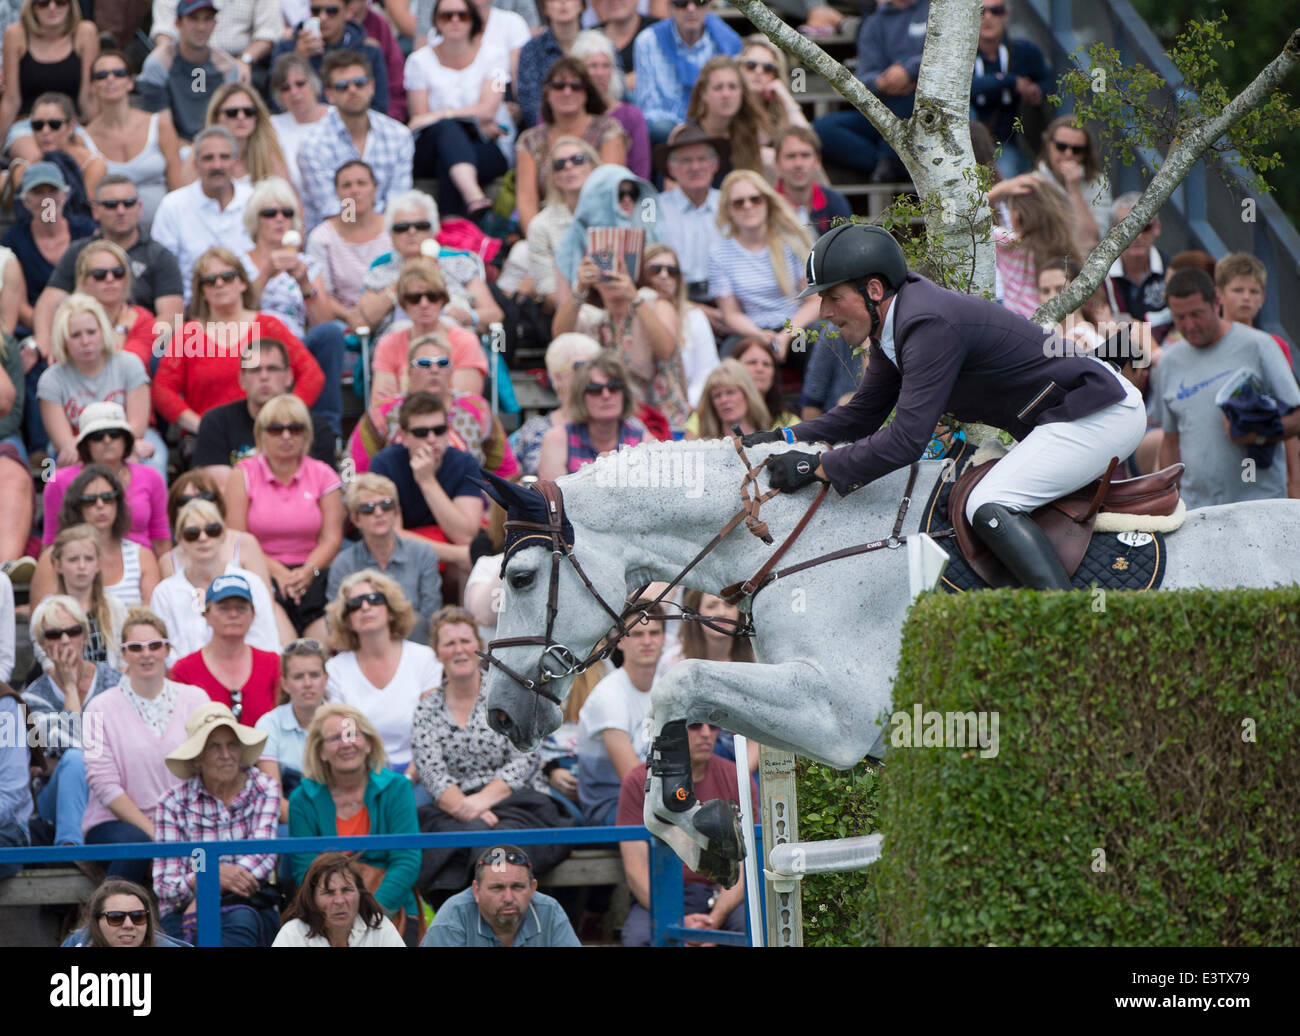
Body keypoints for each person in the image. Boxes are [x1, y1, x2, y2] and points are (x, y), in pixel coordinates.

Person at [742, 222, 1149, 590]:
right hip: (1071, 415)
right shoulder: (897, 325)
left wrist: (818, 468)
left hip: (1099, 414)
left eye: (832, 297)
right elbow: (863, 413)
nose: (824, 313)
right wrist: (784, 437)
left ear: (874, 290)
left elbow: (905, 441)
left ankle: (1067, 623)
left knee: (987, 503)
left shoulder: (926, 324)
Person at [412, 608, 570, 900]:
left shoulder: (509, 696)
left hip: (516, 803)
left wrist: (480, 805)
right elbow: (431, 772)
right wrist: (469, 810)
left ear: (479, 647)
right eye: (449, 643)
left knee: (498, 839)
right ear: (437, 653)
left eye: (465, 641)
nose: (459, 650)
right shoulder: (427, 708)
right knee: (450, 839)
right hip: (454, 810)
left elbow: (525, 758)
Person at [1149, 268, 1300, 508]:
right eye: (1180, 317)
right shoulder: (1168, 362)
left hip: (1258, 506)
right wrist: (1170, 501)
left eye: (1196, 314)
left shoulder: (1259, 345)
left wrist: (1260, 433)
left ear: (1216, 301)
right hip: (1199, 510)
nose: (1189, 325)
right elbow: (1170, 439)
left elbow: (1297, 417)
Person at [81, 606, 210, 884]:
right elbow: (102, 784)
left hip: (187, 820)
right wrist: (157, 833)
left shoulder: (198, 699)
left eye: (155, 645)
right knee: (137, 845)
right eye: (136, 647)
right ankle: (107, 917)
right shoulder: (96, 707)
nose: (147, 654)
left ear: (167, 649)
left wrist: (176, 830)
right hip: (116, 823)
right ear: (124, 654)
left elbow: (210, 766)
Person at [151, 247, 323, 437]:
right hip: (209, 440)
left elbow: (312, 374)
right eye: (209, 280)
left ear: (242, 282)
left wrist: (286, 419)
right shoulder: (188, 334)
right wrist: (202, 426)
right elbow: (162, 389)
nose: (219, 283)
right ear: (201, 292)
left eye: (227, 276)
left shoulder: (269, 326)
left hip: (268, 437)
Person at [289, 702, 422, 938]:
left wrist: (370, 916)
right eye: (336, 738)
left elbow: (406, 861)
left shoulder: (397, 787)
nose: (347, 743)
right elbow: (305, 871)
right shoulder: (303, 798)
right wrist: (338, 919)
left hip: (390, 910)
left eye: (353, 734)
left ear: (369, 743)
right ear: (321, 751)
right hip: (325, 915)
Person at [153, 701, 280, 946]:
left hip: (247, 903)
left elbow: (262, 856)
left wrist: (207, 890)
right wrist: (206, 878)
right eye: (214, 747)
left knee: (241, 920)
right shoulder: (172, 802)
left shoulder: (264, 788)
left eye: (232, 744)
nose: (226, 755)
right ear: (197, 759)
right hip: (183, 910)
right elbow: (165, 884)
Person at [225, 394, 343, 642]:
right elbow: (236, 537)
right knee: (283, 644)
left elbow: (332, 538)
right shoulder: (242, 474)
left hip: (315, 571)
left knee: (321, 646)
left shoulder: (324, 474)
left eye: (295, 428)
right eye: (276, 429)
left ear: (307, 434)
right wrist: (278, 572)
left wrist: (307, 571)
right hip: (259, 572)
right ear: (261, 435)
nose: (286, 436)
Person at [617, 719, 745, 945]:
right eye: (695, 726)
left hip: (722, 895)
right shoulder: (638, 781)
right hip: (661, 892)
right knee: (639, 938)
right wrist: (678, 921)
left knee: (750, 929)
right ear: (674, 732)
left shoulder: (736, 777)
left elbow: (745, 864)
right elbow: (635, 870)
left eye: (713, 726)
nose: (706, 733)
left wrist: (714, 920)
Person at [33, 173, 185, 359]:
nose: (121, 210)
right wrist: (44, 341)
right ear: (95, 211)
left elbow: (171, 316)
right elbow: (48, 302)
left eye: (128, 203)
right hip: (82, 344)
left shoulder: (159, 256)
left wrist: (130, 341)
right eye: (111, 205)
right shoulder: (78, 251)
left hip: (141, 346)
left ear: (139, 208)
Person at [242, 176, 346, 445]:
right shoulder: (239, 261)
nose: (279, 219)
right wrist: (265, 274)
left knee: (331, 334)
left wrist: (304, 283)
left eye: (287, 213)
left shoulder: (308, 263)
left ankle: (328, 432)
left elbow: (325, 322)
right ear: (256, 219)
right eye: (270, 213)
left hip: (297, 345)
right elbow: (234, 311)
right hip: (250, 345)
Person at [25, 595, 122, 848]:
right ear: (43, 645)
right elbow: (74, 748)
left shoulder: (115, 682)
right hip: (54, 803)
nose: (66, 640)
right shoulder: (33, 696)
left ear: (86, 635)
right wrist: (70, 687)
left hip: (114, 794)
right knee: (76, 760)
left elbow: (125, 749)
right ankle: (71, 849)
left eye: (73, 631)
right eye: (55, 634)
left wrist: (54, 761)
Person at [404, 0, 514, 221]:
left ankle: (452, 227)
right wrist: (459, 118)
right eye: (447, 15)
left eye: (462, 15)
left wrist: (440, 114)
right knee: (447, 133)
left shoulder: (497, 57)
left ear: (473, 20)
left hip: (485, 145)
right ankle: (474, 197)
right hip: (431, 146)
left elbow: (489, 110)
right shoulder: (418, 61)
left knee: (449, 151)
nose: (455, 20)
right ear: (436, 20)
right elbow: (420, 123)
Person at [358, 330, 517, 478]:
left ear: (452, 371)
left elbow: (506, 469)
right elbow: (353, 466)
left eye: (442, 363)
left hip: (467, 502)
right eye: (424, 363)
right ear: (410, 372)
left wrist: (486, 501)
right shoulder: (383, 411)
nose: (434, 369)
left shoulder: (477, 409)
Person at [323, 569, 441, 768]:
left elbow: (433, 731)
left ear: (391, 611)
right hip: (361, 770)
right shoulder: (335, 669)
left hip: (422, 768)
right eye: (354, 604)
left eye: (374, 599)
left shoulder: (424, 658)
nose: (365, 607)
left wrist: (409, 776)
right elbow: (346, 735)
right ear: (346, 620)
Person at [350, 190, 502, 342]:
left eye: (421, 225)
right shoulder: (381, 271)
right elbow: (359, 323)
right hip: (399, 347)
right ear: (391, 234)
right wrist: (403, 282)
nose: (412, 232)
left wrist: (470, 316)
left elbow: (495, 315)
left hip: (453, 343)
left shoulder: (459, 264)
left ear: (434, 230)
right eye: (401, 227)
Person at [193, 338, 335, 493]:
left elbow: (323, 488)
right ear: (242, 379)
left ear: (289, 376)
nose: (264, 376)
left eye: (272, 369)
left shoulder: (313, 426)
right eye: (255, 369)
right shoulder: (216, 422)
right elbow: (220, 490)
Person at [811, 0, 928, 182]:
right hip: (882, 111)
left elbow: (951, 57)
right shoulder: (874, 23)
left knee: (911, 99)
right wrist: (882, 81)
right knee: (821, 130)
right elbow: (863, 78)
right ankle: (895, 163)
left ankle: (892, 160)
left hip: (928, 112)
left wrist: (908, 71)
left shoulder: (937, 10)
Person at [296, 50, 412, 233]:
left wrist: (375, 232)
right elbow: (333, 210)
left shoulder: (398, 135)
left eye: (359, 83)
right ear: (329, 94)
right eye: (342, 86)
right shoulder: (313, 144)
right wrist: (362, 234)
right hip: (335, 241)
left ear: (371, 86)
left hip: (388, 235)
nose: (352, 90)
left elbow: (397, 203)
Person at [370, 392, 484, 573]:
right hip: (403, 558)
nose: (432, 439)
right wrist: (458, 555)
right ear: (404, 437)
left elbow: (466, 536)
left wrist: (427, 481)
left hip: (448, 552)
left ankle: (464, 602)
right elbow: (391, 535)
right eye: (421, 433)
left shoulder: (465, 463)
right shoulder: (384, 464)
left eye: (439, 430)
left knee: (476, 558)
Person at [709, 169, 817, 361]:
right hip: (751, 332)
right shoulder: (719, 252)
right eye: (738, 202)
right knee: (730, 356)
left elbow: (814, 301)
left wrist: (785, 336)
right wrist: (759, 336)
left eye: (755, 199)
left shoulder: (791, 242)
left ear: (767, 202)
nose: (748, 206)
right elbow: (731, 313)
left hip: (796, 329)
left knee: (828, 341)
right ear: (729, 210)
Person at [149, 503, 279, 661]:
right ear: (180, 540)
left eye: (212, 530)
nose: (203, 538)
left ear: (223, 535)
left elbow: (267, 641)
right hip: (185, 679)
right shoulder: (164, 592)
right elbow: (166, 652)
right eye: (192, 533)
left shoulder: (251, 583)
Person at [515, 55, 628, 236]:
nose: (567, 92)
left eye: (575, 86)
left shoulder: (609, 130)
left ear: (586, 91)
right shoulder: (530, 141)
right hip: (547, 229)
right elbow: (526, 201)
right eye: (559, 86)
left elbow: (609, 190)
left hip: (599, 229)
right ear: (547, 91)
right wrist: (539, 241)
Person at [37, 294, 152, 471]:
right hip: (75, 451)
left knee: (149, 458)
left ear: (103, 331)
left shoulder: (130, 365)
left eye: (91, 332)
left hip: (124, 443)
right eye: (75, 335)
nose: (85, 341)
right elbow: (65, 443)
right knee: (51, 472)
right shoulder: (50, 380)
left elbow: (137, 428)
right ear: (63, 341)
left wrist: (110, 446)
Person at [39, 400, 169, 556]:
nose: (107, 440)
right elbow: (51, 541)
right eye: (98, 436)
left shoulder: (151, 477)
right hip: (81, 569)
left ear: (125, 439)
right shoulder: (57, 481)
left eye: (114, 434)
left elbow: (161, 539)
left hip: (143, 567)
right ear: (85, 443)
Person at [576, 601, 664, 825]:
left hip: (655, 797)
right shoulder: (608, 695)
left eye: (654, 632)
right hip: (609, 804)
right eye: (637, 634)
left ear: (664, 638)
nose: (647, 641)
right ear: (620, 640)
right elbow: (633, 781)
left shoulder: (665, 687)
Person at [328, 474, 443, 644]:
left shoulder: (423, 553)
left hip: (416, 647)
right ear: (356, 519)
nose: (379, 512)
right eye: (368, 508)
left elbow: (431, 617)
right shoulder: (343, 564)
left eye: (386, 505)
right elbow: (337, 623)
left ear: (397, 512)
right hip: (363, 650)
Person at [364, 258, 488, 410]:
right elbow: (381, 405)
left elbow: (466, 405)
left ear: (443, 300)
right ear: (404, 304)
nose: (424, 304)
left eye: (432, 296)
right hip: (402, 426)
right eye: (414, 298)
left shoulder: (466, 341)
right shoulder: (388, 343)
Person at [32, 463, 160, 609]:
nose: (100, 505)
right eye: (90, 500)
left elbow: (152, 619)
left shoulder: (142, 557)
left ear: (118, 504)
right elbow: (40, 623)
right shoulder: (52, 558)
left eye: (108, 498)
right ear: (76, 507)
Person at [150, 127, 254, 300]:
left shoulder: (254, 201)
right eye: (208, 158)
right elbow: (163, 272)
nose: (217, 165)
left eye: (224, 157)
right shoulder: (173, 206)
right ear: (195, 164)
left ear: (236, 162)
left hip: (250, 307)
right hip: (192, 313)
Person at [166, 573, 281, 721]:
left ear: (252, 614)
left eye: (241, 608)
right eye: (224, 608)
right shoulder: (184, 671)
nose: (233, 614)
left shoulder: (273, 664)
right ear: (206, 614)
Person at [2, 160, 95, 338]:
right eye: (38, 192)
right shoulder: (13, 239)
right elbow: (18, 304)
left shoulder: (87, 232)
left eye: (52, 191)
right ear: (25, 201)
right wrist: (51, 331)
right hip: (34, 330)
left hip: (87, 328)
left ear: (65, 195)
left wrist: (77, 330)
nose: (46, 199)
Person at [420, 844, 581, 946]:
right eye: (497, 888)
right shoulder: (454, 916)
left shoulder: (550, 911)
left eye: (518, 887)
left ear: (533, 888)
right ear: (476, 890)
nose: (509, 898)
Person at [632, 0, 741, 146]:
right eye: (681, 2)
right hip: (668, 132)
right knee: (659, 128)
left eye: (699, 2)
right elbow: (648, 110)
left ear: (709, 4)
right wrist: (685, 130)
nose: (691, 8)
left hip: (714, 125)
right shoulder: (648, 41)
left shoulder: (729, 41)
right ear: (669, 5)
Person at [0, 0, 98, 159]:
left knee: (86, 160)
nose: (52, 8)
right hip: (28, 124)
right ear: (32, 7)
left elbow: (88, 97)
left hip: (72, 125)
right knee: (37, 161)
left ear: (71, 5)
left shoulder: (85, 32)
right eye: (43, 3)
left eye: (60, 2)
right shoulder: (16, 34)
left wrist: (100, 137)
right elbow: (11, 99)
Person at [137, 0, 241, 144]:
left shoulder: (227, 67)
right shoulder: (158, 64)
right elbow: (158, 125)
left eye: (207, 19)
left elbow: (230, 122)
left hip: (217, 147)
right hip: (170, 147)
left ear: (215, 24)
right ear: (178, 23)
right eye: (193, 19)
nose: (201, 27)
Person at [652, 121, 725, 317]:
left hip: (729, 303)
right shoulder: (653, 207)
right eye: (685, 161)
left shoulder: (731, 204)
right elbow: (648, 266)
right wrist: (694, 310)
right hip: (673, 303)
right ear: (671, 168)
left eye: (702, 159)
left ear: (715, 164)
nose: (695, 167)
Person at [970, 0, 1051, 178]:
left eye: (996, 11)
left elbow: (1051, 82)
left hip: (1005, 142)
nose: (988, 17)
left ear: (1006, 15)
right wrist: (1010, 81)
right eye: (981, 11)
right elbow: (965, 88)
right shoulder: (959, 53)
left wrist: (1037, 91)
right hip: (965, 142)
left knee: (1007, 175)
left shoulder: (1024, 52)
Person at [537, 350, 647, 478]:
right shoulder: (557, 440)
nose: (606, 395)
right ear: (580, 396)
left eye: (614, 387)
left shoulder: (643, 442)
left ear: (625, 393)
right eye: (595, 389)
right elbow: (552, 497)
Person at [306, 159, 394, 312]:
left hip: (390, 313)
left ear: (375, 188)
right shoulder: (321, 237)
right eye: (346, 185)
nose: (354, 191)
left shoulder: (394, 228)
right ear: (337, 192)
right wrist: (352, 320)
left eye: (361, 183)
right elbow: (323, 294)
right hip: (343, 321)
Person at [272, 4, 390, 118]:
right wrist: (298, 59)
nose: (322, 17)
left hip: (354, 128)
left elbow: (379, 106)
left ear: (348, 11)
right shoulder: (287, 48)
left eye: (332, 10)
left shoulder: (368, 50)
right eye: (316, 11)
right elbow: (275, 103)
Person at [256, 637, 329, 820]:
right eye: (298, 676)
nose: (307, 683)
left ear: (325, 679)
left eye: (314, 675)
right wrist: (313, 827)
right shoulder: (267, 724)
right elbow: (274, 799)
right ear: (285, 684)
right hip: (291, 826)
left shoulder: (348, 721)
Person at [157, 470, 271, 587]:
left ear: (218, 501)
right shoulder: (168, 560)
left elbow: (264, 597)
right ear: (174, 509)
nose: (196, 504)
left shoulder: (245, 542)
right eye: (185, 500)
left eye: (205, 497)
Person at [639, 241, 716, 410]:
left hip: (684, 407)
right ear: (641, 273)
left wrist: (690, 404)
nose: (664, 275)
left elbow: (706, 372)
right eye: (655, 269)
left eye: (672, 271)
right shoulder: (631, 314)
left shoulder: (694, 316)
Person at [987, 172, 1077, 319]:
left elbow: (966, 217)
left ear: (1016, 216)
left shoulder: (1006, 244)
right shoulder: (1063, 247)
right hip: (1054, 325)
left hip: (1017, 327)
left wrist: (1001, 189)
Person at [273, 851, 407, 946]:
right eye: (329, 892)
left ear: (360, 893)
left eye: (347, 890)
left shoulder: (379, 927)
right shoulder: (293, 934)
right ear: (311, 898)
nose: (339, 901)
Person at [40, 524, 126, 668]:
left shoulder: (115, 606)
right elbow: (48, 664)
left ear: (98, 564)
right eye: (73, 559)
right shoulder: (45, 612)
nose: (81, 566)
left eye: (89, 559)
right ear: (57, 565)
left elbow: (123, 659)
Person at [571, 28, 649, 179]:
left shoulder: (631, 115)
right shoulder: (562, 114)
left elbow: (641, 174)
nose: (600, 73)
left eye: (606, 66)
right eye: (592, 66)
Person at [179, 81, 290, 186]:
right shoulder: (201, 151)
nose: (241, 117)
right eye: (232, 113)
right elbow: (186, 199)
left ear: (257, 116)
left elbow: (286, 198)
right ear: (216, 117)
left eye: (248, 112)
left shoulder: (267, 153)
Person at [1034, 115, 1111, 255]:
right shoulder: (1034, 183)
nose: (1068, 154)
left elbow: (1089, 241)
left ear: (1085, 153)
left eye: (1076, 150)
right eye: (1061, 147)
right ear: (1048, 145)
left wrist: (1074, 190)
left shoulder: (1099, 183)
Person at [8, 90, 105, 199]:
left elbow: (88, 210)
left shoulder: (92, 165)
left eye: (54, 124)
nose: (45, 131)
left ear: (71, 127)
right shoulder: (23, 170)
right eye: (38, 125)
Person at [685, 56, 768, 180]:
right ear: (703, 94)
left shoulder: (750, 133)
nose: (726, 94)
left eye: (732, 87)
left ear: (742, 92)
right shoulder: (686, 135)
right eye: (718, 88)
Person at [149, 0, 279, 73]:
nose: (202, 27)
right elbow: (163, 30)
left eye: (207, 19)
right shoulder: (155, 64)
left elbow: (267, 33)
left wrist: (244, 60)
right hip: (183, 59)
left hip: (240, 60)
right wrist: (168, 58)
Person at [268, 53, 330, 200]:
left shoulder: (338, 118)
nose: (294, 93)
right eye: (285, 88)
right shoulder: (272, 126)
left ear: (313, 83)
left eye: (300, 84)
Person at [1104, 192, 1170, 332]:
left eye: (1144, 227)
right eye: (1127, 229)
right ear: (1113, 231)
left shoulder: (1171, 268)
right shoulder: (1099, 278)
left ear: (1156, 227)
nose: (1137, 236)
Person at [516, 0, 586, 130]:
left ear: (582, 5)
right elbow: (530, 104)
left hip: (595, 129)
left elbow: (613, 95)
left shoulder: (600, 43)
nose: (563, 3)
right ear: (545, 8)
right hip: (547, 132)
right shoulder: (532, 49)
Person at [61, 877, 191, 946]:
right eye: (116, 917)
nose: (129, 925)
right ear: (96, 922)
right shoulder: (76, 943)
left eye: (138, 917)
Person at [772, 126, 850, 238]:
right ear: (776, 163)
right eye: (790, 156)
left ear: (818, 161)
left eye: (805, 155)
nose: (798, 164)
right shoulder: (765, 204)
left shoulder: (835, 201)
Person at [1215, 252, 1292, 362]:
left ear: (1262, 298)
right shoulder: (1204, 344)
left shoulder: (1275, 346)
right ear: (1219, 295)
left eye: (1254, 292)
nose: (1246, 297)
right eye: (1238, 290)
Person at [738, 34, 811, 147]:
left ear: (775, 74)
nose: (758, 71)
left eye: (768, 68)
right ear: (738, 67)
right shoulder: (730, 105)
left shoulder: (779, 109)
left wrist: (787, 100)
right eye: (751, 65)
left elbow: (808, 144)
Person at [683, 357, 774, 440]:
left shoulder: (771, 441)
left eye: (731, 392)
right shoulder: (701, 446)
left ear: (747, 394)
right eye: (717, 395)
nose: (724, 400)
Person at [730, 335, 798, 427]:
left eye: (766, 364)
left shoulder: (789, 422)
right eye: (752, 362)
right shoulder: (717, 417)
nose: (760, 369)